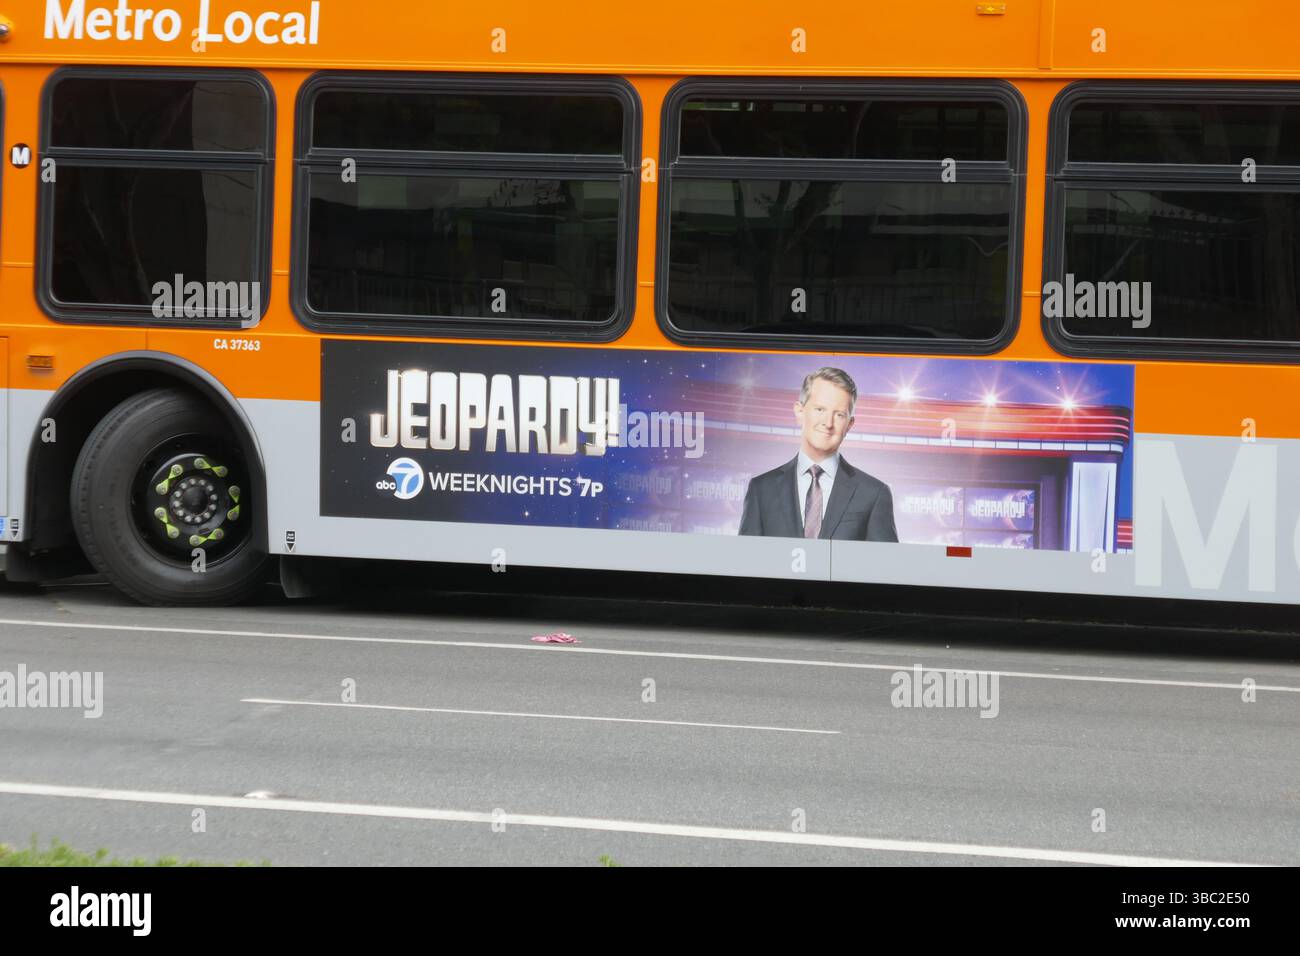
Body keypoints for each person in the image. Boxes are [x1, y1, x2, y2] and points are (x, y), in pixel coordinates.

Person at [738, 367, 898, 541]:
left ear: (849, 424)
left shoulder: (874, 493)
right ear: (800, 412)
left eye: (839, 415)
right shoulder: (761, 490)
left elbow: (884, 559)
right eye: (820, 409)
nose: (828, 423)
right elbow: (746, 557)